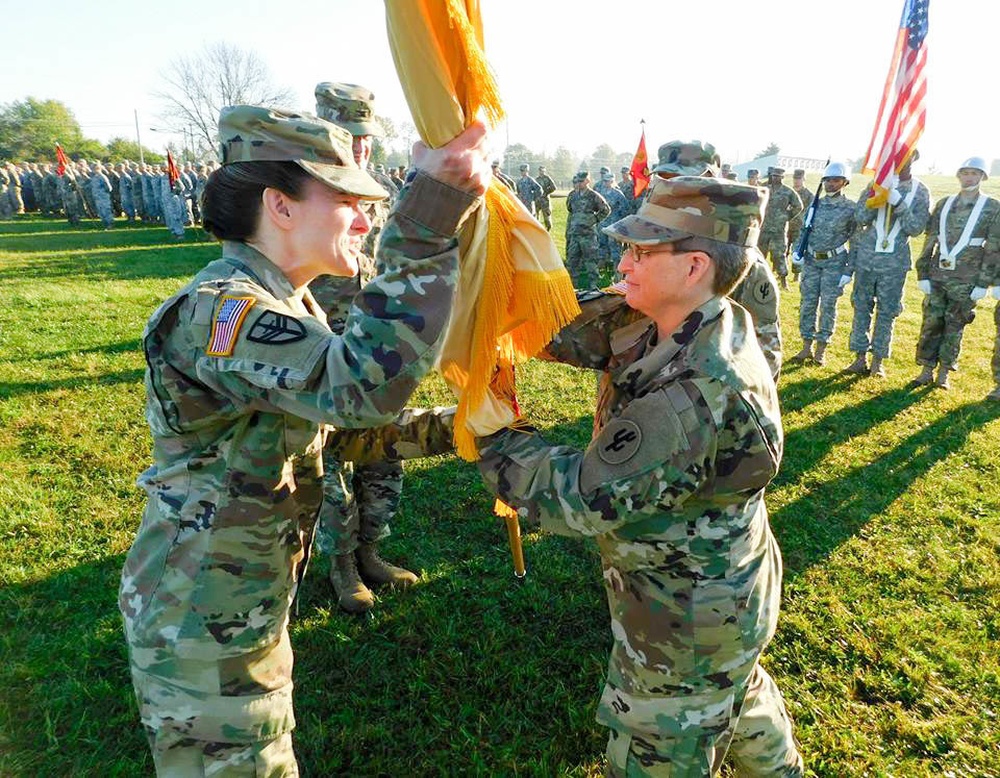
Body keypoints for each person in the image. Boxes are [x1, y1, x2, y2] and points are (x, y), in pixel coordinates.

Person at [117, 104, 489, 774]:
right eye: (348, 199)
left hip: (240, 604)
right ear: (279, 207)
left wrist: (459, 428)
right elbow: (361, 387)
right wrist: (429, 217)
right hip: (201, 620)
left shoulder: (289, 304)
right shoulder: (224, 312)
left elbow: (335, 430)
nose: (367, 218)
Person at [477, 175, 802, 776]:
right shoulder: (671, 315)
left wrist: (490, 436)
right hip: (709, 594)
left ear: (693, 266)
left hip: (688, 617)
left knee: (663, 739)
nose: (621, 262)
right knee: (737, 694)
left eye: (641, 252)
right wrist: (480, 286)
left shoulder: (700, 391)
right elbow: (562, 327)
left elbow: (577, 499)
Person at [652, 140, 782, 378]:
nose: (674, 189)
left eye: (684, 180)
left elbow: (764, 345)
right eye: (665, 179)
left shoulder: (738, 254)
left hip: (706, 391)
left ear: (713, 178)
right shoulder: (651, 239)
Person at [912, 157, 1000, 389]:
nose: (969, 177)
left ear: (982, 177)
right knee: (931, 322)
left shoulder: (992, 207)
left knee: (955, 325)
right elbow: (930, 240)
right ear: (959, 175)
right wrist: (922, 272)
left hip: (967, 278)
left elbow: (993, 248)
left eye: (974, 173)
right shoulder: (944, 204)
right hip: (938, 274)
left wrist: (984, 283)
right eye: (965, 173)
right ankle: (926, 370)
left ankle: (944, 373)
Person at [843, 152, 930, 377]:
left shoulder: (920, 190)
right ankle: (859, 357)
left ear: (913, 160)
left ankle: (878, 361)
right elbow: (860, 217)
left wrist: (898, 203)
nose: (900, 163)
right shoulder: (876, 184)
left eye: (906, 159)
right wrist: (878, 196)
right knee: (861, 306)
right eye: (896, 158)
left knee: (887, 311)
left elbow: (916, 228)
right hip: (867, 258)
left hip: (894, 262)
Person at [788, 162, 856, 365]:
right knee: (807, 303)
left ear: (844, 182)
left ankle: (821, 349)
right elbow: (804, 230)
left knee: (828, 306)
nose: (830, 184)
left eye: (835, 180)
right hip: (811, 260)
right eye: (827, 180)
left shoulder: (850, 208)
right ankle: (806, 346)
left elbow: (856, 240)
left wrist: (848, 270)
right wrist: (796, 251)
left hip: (834, 263)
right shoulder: (815, 205)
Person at [757, 167, 802, 290]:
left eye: (778, 176)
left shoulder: (788, 192)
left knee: (779, 255)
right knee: (759, 254)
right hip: (763, 228)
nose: (775, 178)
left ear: (783, 177)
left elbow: (798, 206)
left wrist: (787, 216)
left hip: (779, 229)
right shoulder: (764, 189)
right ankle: (757, 278)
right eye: (773, 175)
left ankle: (783, 280)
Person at [565, 170, 610, 288]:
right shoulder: (573, 195)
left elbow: (606, 210)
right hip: (575, 234)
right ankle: (572, 286)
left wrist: (594, 219)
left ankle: (593, 286)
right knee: (572, 261)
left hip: (588, 234)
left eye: (582, 181)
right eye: (578, 181)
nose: (579, 183)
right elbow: (570, 209)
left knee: (591, 261)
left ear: (587, 181)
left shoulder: (593, 195)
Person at [595, 170, 630, 275]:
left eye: (608, 181)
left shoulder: (618, 194)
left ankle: (617, 272)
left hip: (614, 225)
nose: (606, 183)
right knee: (602, 246)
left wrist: (619, 220)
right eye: (605, 181)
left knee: (615, 248)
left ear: (612, 181)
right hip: (602, 224)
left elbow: (625, 209)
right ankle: (601, 272)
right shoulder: (600, 193)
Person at [786, 169, 813, 281]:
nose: (797, 181)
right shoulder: (788, 192)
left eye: (799, 179)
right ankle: (782, 273)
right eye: (795, 178)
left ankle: (796, 275)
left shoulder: (809, 195)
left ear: (804, 179)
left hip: (799, 227)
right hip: (787, 226)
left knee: (797, 251)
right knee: (784, 251)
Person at [535, 164, 557, 230]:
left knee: (547, 217)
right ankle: (537, 231)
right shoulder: (537, 179)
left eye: (542, 171)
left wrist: (546, 193)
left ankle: (548, 230)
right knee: (536, 217)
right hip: (538, 201)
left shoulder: (547, 178)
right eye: (540, 171)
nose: (541, 172)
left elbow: (554, 187)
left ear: (544, 171)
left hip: (545, 201)